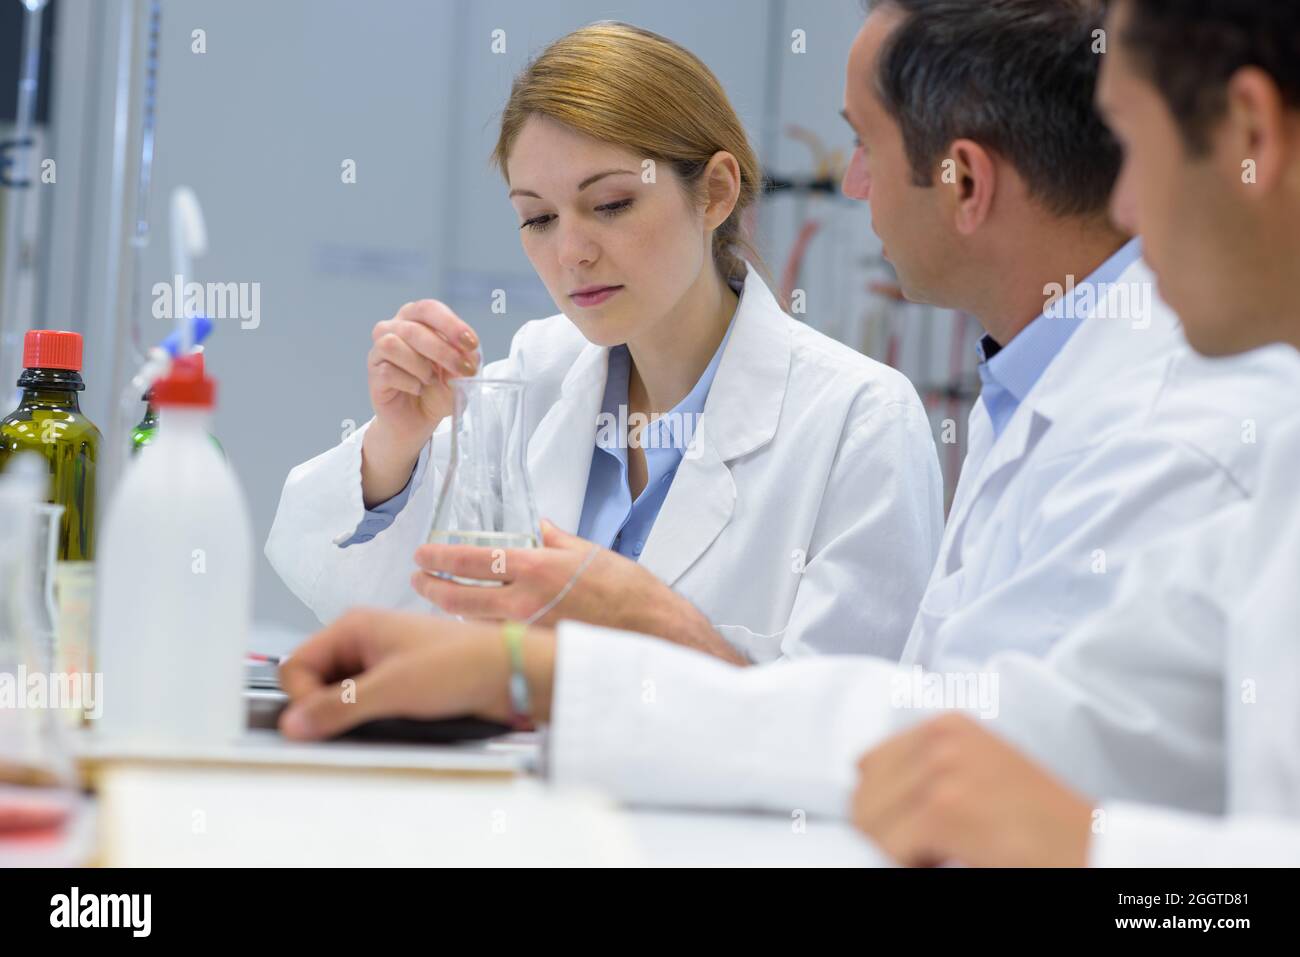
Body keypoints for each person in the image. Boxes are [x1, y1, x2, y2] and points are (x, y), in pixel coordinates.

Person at [274, 0, 1296, 822]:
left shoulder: (1180, 432)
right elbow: (940, 732)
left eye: (1128, 143)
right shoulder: (1047, 394)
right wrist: (520, 665)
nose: (569, 252)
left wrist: (600, 649)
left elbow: (986, 772)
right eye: (537, 219)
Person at [266, 21, 944, 665]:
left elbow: (858, 733)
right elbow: (336, 578)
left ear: (714, 192)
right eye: (537, 217)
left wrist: (654, 625)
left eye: (612, 204)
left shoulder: (859, 420)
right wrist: (396, 441)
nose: (571, 253)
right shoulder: (539, 372)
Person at [852, 0, 1300, 867]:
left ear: (1249, 132)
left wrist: (1096, 853)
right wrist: (579, 679)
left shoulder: (1198, 430)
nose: (1122, 209)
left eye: (1129, 144)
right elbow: (991, 731)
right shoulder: (1275, 456)